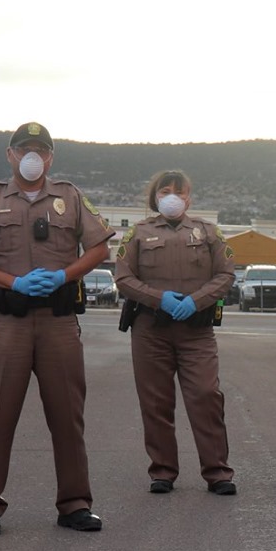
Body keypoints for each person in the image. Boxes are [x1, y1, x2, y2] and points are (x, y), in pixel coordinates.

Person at [0, 122, 114, 534]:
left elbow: (100, 247)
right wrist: (12, 282)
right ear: (10, 155)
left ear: (50, 157)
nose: (32, 156)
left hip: (59, 322)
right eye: (24, 149)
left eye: (40, 150)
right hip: (9, 321)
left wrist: (65, 276)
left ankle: (75, 503)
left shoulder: (70, 196)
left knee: (67, 416)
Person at [111, 170, 237, 495]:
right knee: (155, 401)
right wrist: (159, 299)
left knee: (206, 395)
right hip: (151, 330)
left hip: (196, 330)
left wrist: (196, 302)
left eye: (179, 192)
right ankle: (163, 471)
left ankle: (217, 471)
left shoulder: (209, 232)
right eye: (165, 191)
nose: (172, 196)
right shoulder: (136, 234)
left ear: (189, 198)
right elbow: (123, 278)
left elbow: (226, 274)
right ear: (155, 197)